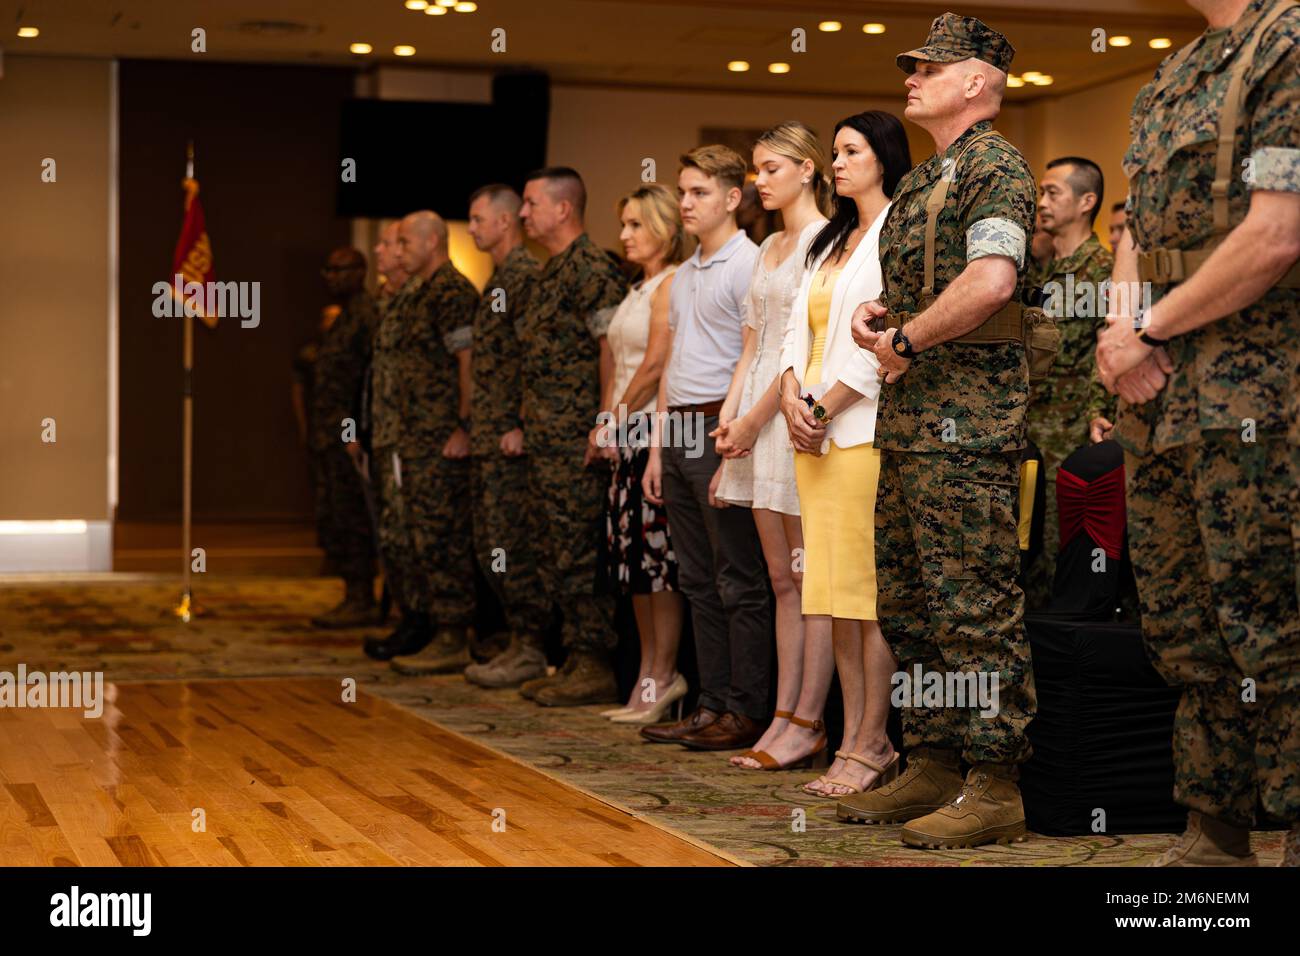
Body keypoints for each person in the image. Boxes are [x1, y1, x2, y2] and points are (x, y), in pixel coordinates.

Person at [1095, 0, 1299, 867]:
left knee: (1276, 618)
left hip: (1260, 382)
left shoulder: (1287, 42)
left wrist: (1152, 329)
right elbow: (1135, 228)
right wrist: (1117, 331)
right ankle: (1216, 827)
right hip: (1162, 392)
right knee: (1185, 620)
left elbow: (1278, 230)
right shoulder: (1171, 75)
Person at [844, 13, 1038, 849]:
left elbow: (993, 282)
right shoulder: (927, 179)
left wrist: (910, 338)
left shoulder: (996, 167)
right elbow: (936, 288)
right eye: (911, 67)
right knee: (913, 605)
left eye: (930, 67)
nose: (911, 77)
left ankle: (996, 780)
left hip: (970, 426)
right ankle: (933, 758)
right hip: (913, 423)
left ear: (977, 83)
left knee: (974, 607)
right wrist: (884, 315)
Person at [755, 112, 912, 797]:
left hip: (858, 431)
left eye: (852, 151)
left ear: (883, 159)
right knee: (829, 597)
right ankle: (851, 740)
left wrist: (825, 406)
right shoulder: (832, 238)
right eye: (837, 152)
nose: (839, 162)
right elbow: (797, 329)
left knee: (863, 599)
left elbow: (890, 341)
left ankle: (872, 743)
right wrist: (791, 395)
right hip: (810, 434)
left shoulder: (896, 232)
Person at [639, 145, 772, 752]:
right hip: (680, 430)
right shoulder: (687, 271)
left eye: (697, 193)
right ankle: (710, 702)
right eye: (683, 191)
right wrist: (657, 448)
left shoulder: (748, 263)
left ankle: (745, 709)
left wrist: (730, 435)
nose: (685, 203)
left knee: (737, 578)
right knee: (694, 578)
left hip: (724, 429)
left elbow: (756, 357)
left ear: (731, 198)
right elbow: (670, 365)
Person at [710, 121, 829, 767]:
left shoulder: (821, 240)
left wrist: (755, 419)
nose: (760, 180)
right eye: (756, 169)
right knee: (781, 580)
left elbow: (797, 350)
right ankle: (782, 719)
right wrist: (730, 421)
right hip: (756, 417)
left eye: (772, 167)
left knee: (810, 580)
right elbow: (751, 345)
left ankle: (807, 719)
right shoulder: (767, 245)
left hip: (792, 413)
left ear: (809, 169)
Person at [514, 167, 630, 707]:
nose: (522, 214)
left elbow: (611, 347)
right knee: (553, 548)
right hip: (545, 437)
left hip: (576, 436)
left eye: (531, 203)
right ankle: (571, 657)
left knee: (581, 549)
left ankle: (594, 661)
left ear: (562, 209)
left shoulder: (590, 268)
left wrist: (604, 420)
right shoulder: (548, 272)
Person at [363, 210, 480, 674]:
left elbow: (466, 362)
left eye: (405, 241)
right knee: (415, 534)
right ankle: (425, 621)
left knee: (441, 535)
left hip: (438, 437)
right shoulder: (416, 293)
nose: (396, 249)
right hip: (407, 435)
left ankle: (452, 632)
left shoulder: (451, 291)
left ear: (432, 242)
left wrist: (463, 425)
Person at [591, 184, 688, 723]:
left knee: (657, 561)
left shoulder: (671, 284)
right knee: (631, 563)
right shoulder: (638, 285)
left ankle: (665, 672)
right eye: (622, 224)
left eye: (634, 225)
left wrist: (613, 419)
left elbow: (655, 365)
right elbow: (618, 365)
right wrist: (606, 420)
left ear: (664, 228)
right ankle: (647, 672)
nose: (624, 235)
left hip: (651, 431)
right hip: (626, 433)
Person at [460, 184, 553, 688]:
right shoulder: (498, 277)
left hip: (511, 437)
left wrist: (518, 421)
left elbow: (531, 356)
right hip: (489, 434)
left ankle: (532, 645)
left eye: (477, 219)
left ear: (503, 222)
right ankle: (518, 639)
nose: (472, 229)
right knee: (492, 541)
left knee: (514, 543)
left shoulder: (524, 277)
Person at [1023, 157, 1115, 609]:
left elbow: (1110, 350)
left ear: (1086, 201)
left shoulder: (1103, 269)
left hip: (1073, 432)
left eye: (1052, 193)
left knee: (1066, 549)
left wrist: (1101, 414)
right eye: (1040, 192)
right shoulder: (1038, 272)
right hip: (1030, 430)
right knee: (1027, 545)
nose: (1041, 203)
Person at [308, 247, 380, 628]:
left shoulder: (367, 315)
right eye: (328, 269)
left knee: (354, 516)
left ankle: (363, 597)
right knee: (336, 515)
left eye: (341, 270)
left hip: (348, 437)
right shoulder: (343, 318)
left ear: (360, 271)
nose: (332, 277)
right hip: (329, 436)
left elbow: (368, 382)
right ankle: (354, 593)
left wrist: (356, 435)